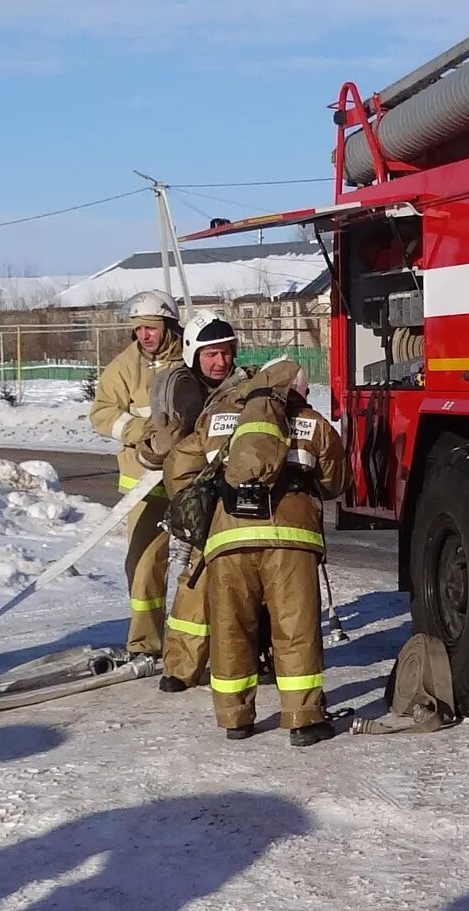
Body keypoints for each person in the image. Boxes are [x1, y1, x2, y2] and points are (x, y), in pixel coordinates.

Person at [191, 356, 348, 746]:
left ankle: (235, 718)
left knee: (231, 628)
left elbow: (180, 467)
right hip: (291, 541)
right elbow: (335, 484)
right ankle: (303, 718)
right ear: (296, 388)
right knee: (295, 629)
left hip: (228, 541)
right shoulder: (313, 424)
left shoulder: (219, 418)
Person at [142, 316, 237, 692]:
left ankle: (258, 656)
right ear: (194, 355)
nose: (221, 362)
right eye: (212, 354)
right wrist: (155, 447)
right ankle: (180, 667)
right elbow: (159, 451)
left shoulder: (243, 392)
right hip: (203, 507)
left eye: (227, 353)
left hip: (235, 503)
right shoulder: (181, 392)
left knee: (248, 587)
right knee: (195, 583)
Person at [88, 290, 181, 658]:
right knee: (144, 566)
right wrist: (139, 430)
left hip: (191, 481)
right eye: (139, 328)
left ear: (169, 327)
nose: (144, 335)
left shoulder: (190, 360)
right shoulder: (124, 367)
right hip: (145, 484)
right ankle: (145, 643)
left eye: (152, 328)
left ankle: (206, 640)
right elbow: (101, 414)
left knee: (204, 563)